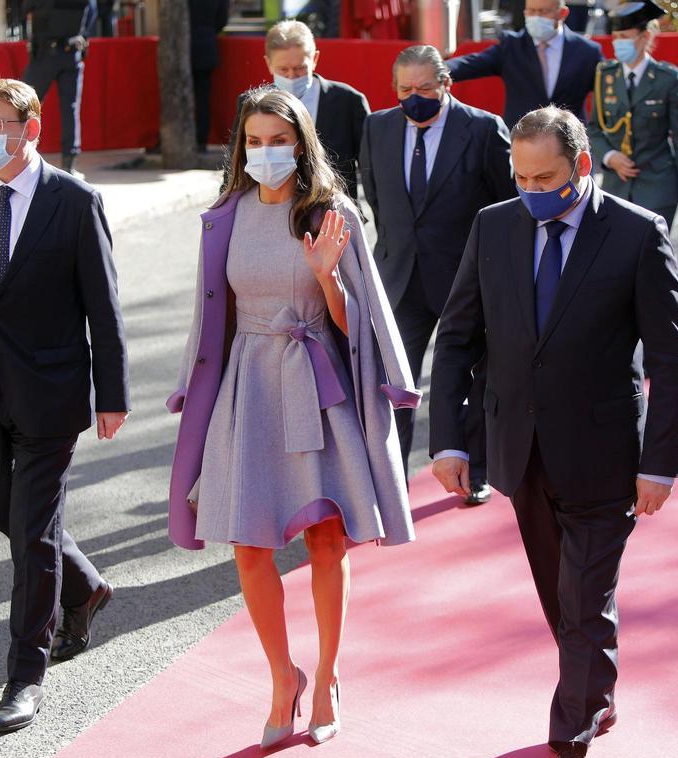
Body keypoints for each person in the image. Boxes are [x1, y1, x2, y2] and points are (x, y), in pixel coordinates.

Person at [429, 106, 678, 758]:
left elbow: (671, 357)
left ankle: (567, 751)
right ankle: (596, 690)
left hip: (605, 457)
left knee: (584, 599)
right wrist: (451, 439)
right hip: (521, 453)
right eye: (521, 177)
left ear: (580, 165)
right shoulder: (494, 226)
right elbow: (458, 337)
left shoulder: (638, 235)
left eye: (545, 177)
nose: (532, 190)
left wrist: (659, 461)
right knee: (564, 603)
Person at [166, 87, 418, 750]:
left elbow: (355, 328)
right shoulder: (223, 217)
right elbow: (208, 317)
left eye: (280, 141)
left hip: (315, 385)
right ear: (240, 147)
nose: (267, 152)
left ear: (302, 146)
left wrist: (328, 276)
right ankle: (284, 678)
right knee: (249, 547)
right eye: (256, 140)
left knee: (325, 541)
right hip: (246, 390)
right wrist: (190, 391)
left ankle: (330, 674)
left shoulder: (329, 215)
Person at [0, 78, 130, 733]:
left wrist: (111, 393)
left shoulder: (74, 200)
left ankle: (23, 677)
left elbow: (103, 303)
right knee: (6, 512)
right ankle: (86, 586)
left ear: (31, 129)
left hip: (51, 393)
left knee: (31, 537)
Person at [359, 45, 515, 503]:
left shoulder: (484, 130)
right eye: (405, 89)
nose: (414, 97)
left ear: (445, 84)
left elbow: (508, 207)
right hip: (401, 279)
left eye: (424, 88)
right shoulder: (377, 127)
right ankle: (390, 481)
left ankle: (475, 469)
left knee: (472, 379)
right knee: (394, 383)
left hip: (467, 280)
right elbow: (379, 200)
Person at [587, 0, 678, 231]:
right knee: (619, 260)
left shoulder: (666, 78)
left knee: (651, 260)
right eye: (616, 36)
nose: (619, 43)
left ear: (645, 36)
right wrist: (609, 157)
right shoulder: (606, 76)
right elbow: (595, 128)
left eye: (625, 36)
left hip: (658, 188)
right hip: (616, 190)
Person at [229, 21, 370, 201]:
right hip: (269, 210)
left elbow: (371, 169)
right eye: (283, 70)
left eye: (300, 68)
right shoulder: (249, 104)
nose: (291, 76)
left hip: (334, 215)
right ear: (268, 63)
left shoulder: (348, 102)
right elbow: (235, 167)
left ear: (315, 59)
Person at [447, 0, 603, 127]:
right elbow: (471, 64)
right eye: (531, 11)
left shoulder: (587, 51)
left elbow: (609, 90)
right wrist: (439, 70)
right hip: (522, 142)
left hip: (569, 146)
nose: (536, 17)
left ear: (562, 13)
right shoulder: (511, 46)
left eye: (543, 12)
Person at [21, 0, 97, 177]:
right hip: (72, 53)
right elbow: (91, 16)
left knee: (22, 105)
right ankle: (69, 165)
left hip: (45, 54)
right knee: (70, 109)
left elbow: (27, 9)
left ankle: (17, 156)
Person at [191, 0, 231, 149]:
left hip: (186, 47)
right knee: (203, 99)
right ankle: (201, 140)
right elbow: (222, 20)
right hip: (206, 46)